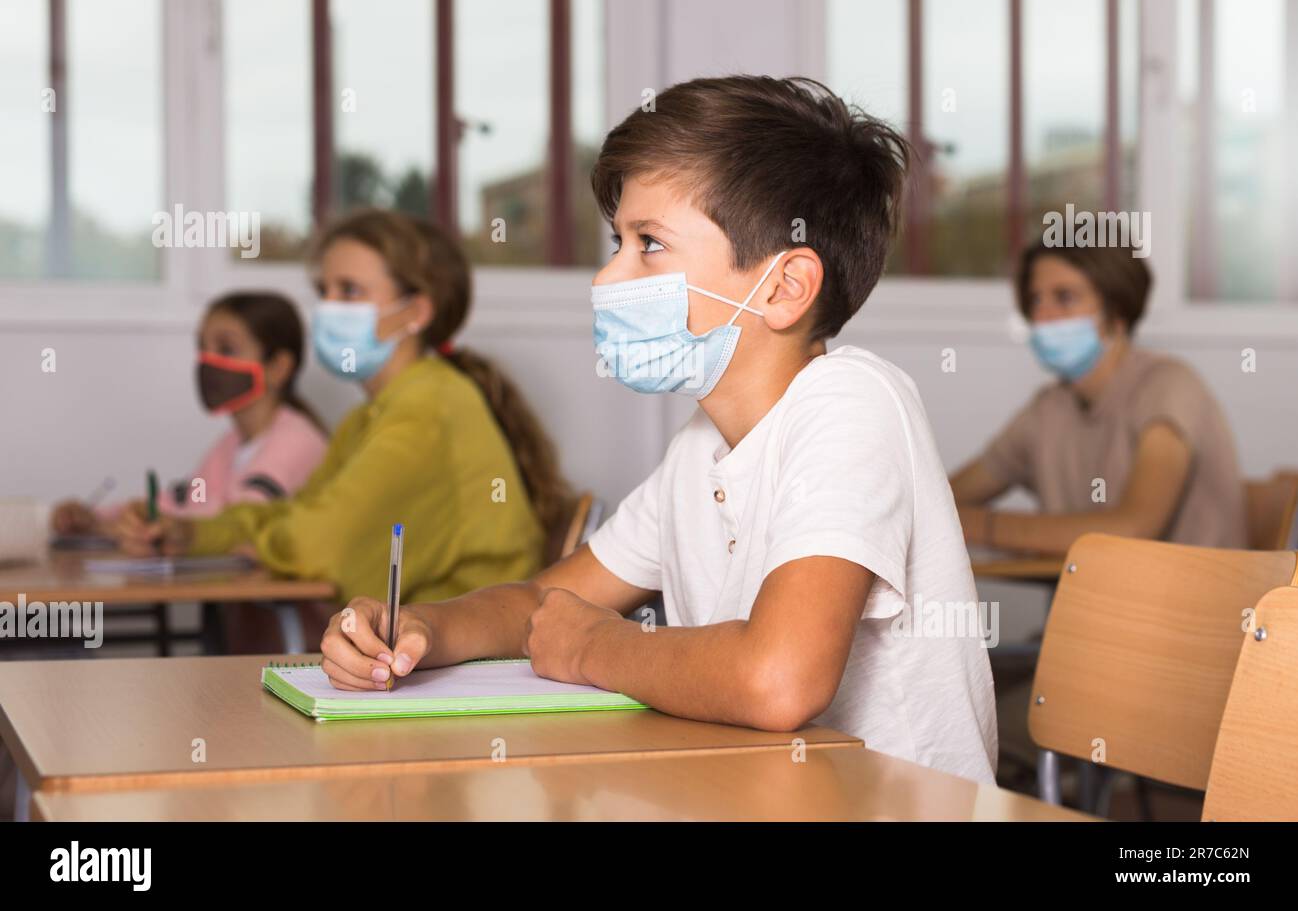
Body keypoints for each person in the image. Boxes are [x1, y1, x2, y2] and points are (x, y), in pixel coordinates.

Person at [319, 76, 999, 784]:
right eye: (619, 240)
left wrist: (595, 649)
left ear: (784, 286)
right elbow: (545, 605)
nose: (607, 279)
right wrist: (419, 630)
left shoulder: (852, 402)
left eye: (648, 243)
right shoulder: (699, 449)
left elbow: (779, 678)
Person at [115, 208, 564, 605]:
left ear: (416, 312)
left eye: (349, 291)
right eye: (323, 290)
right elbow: (296, 515)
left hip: (471, 668)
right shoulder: (370, 416)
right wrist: (192, 534)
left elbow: (323, 547)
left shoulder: (428, 410)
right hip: (423, 652)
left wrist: (264, 541)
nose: (327, 308)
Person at [950, 238, 1247, 553]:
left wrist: (980, 526)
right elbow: (943, 498)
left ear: (1116, 311)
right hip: (1097, 599)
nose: (1043, 316)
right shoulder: (1049, 408)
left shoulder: (1168, 386)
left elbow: (1134, 528)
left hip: (1194, 599)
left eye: (1064, 297)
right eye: (1035, 300)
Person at [51, 291, 327, 533]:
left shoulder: (297, 441)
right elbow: (179, 502)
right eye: (202, 348)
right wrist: (94, 519)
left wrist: (154, 522)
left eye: (226, 348)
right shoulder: (229, 445)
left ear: (278, 367)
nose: (207, 361)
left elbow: (240, 518)